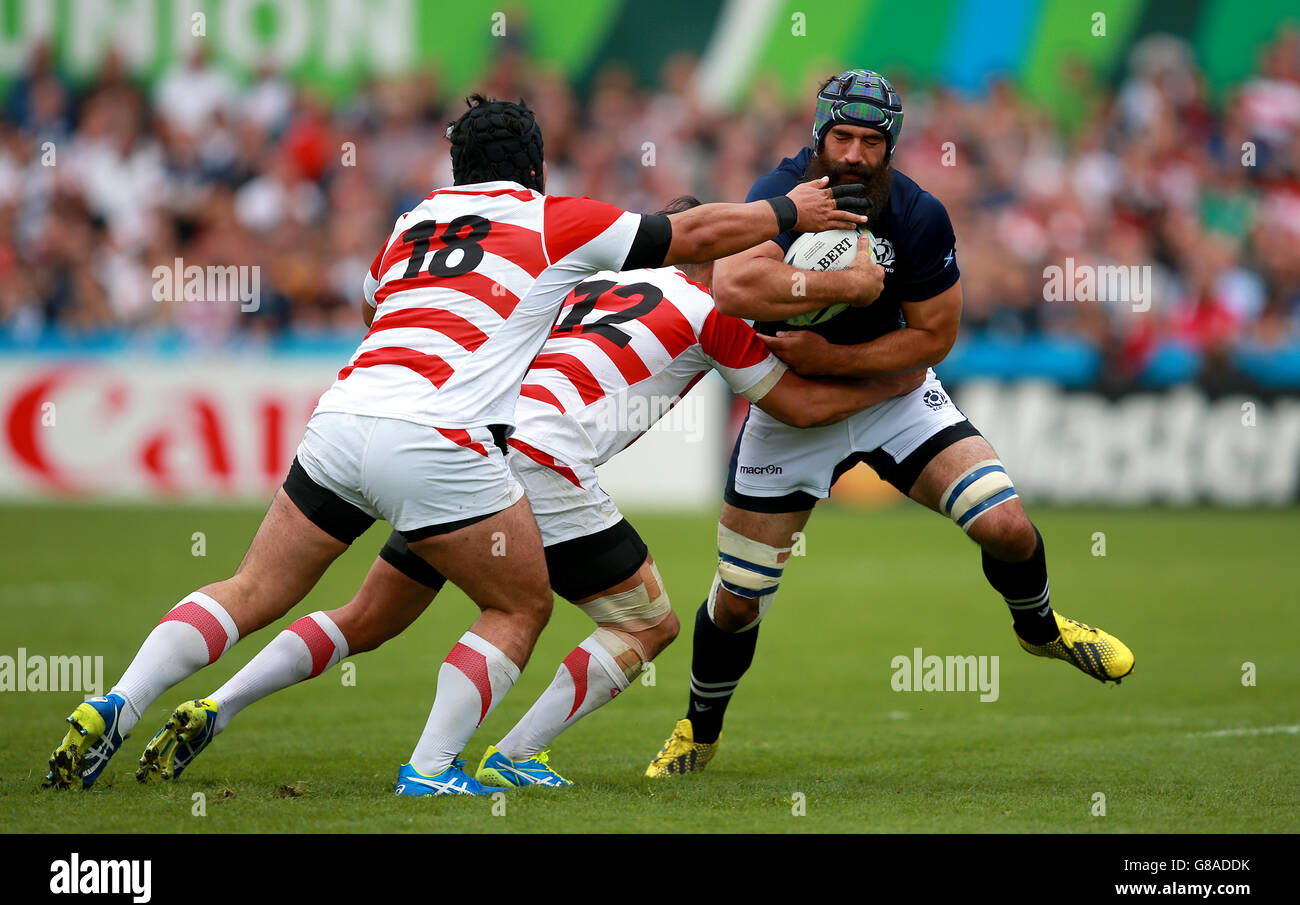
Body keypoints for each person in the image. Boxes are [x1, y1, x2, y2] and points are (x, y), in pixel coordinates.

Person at [44, 95, 874, 795]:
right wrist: (792, 218)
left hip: (344, 418)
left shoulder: (411, 224)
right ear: (539, 167)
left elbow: (381, 308)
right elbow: (687, 243)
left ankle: (123, 697)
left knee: (267, 589)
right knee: (523, 604)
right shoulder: (561, 223)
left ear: (455, 168)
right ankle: (443, 767)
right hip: (450, 446)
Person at [644, 69, 1135, 779]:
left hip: (892, 392)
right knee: (738, 601)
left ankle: (1041, 628)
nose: (853, 154)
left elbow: (935, 337)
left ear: (890, 146)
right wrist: (843, 286)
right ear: (819, 137)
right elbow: (733, 285)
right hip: (791, 411)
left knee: (1007, 526)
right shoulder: (780, 195)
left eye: (870, 142)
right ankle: (700, 726)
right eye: (841, 137)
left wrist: (834, 354)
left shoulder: (918, 214)